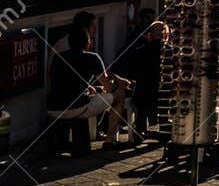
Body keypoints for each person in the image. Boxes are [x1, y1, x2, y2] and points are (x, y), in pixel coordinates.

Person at [48, 24, 127, 152]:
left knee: (90, 96)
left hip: (53, 107)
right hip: (76, 108)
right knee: (119, 95)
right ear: (88, 43)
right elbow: (108, 87)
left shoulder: (58, 57)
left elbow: (63, 81)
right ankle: (109, 140)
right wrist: (118, 84)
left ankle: (63, 142)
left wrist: (88, 87)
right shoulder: (92, 57)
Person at [114, 9, 166, 141]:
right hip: (162, 96)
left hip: (143, 96)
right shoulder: (168, 52)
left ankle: (139, 128)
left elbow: (132, 71)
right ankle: (163, 128)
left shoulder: (140, 50)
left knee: (142, 92)